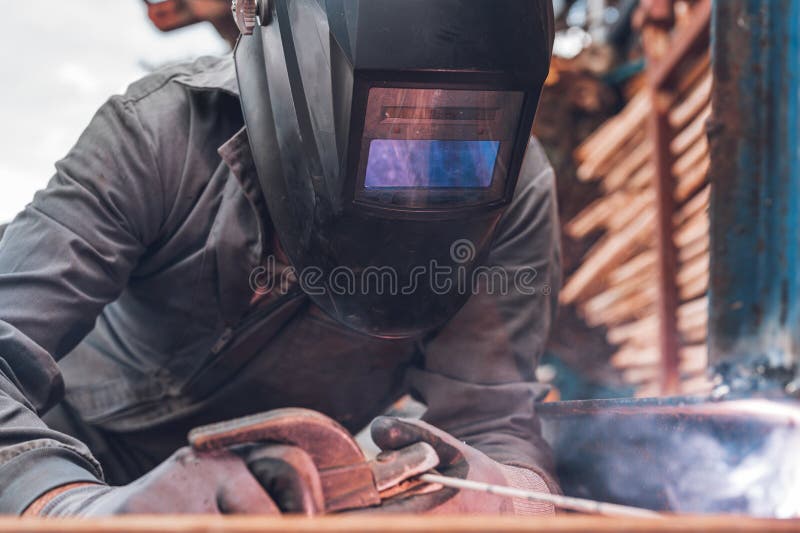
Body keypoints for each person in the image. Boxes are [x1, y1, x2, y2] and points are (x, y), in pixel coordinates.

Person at [0, 0, 561, 517]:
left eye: (463, 128)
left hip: (284, 500)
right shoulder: (159, 132)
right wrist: (70, 507)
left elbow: (492, 417)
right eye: (395, 120)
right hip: (72, 457)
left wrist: (513, 501)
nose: (418, 158)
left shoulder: (516, 189)